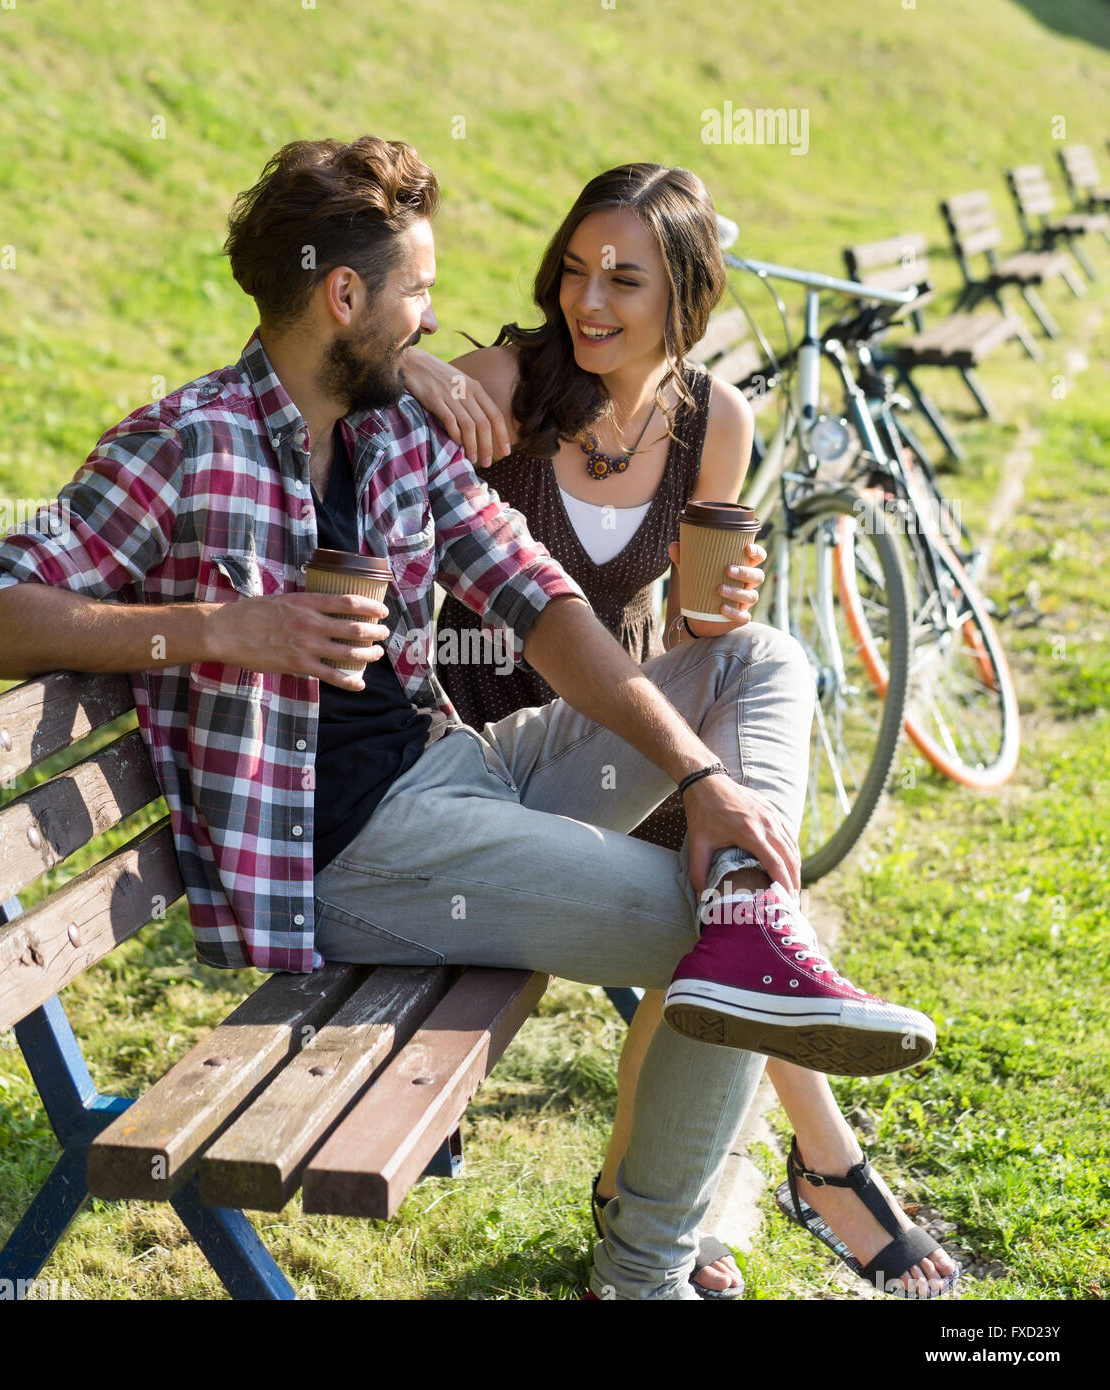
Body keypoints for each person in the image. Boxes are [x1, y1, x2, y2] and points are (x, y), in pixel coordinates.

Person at [0, 136, 939, 1301]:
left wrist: (701, 779)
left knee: (760, 664)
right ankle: (644, 1272)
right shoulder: (185, 444)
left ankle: (745, 917)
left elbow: (539, 600)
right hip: (353, 856)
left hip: (457, 772)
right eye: (416, 292)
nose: (431, 320)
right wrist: (218, 627)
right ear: (345, 294)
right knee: (711, 948)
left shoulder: (389, 430)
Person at [398, 161, 959, 1300]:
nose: (587, 302)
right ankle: (817, 1167)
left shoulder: (716, 418)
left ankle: (682, 1197)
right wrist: (407, 358)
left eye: (624, 280)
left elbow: (700, 625)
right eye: (574, 269)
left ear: (686, 296)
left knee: (731, 865)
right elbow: (344, 415)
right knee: (732, 902)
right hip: (496, 752)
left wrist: (721, 608)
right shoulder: (507, 382)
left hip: (636, 728)